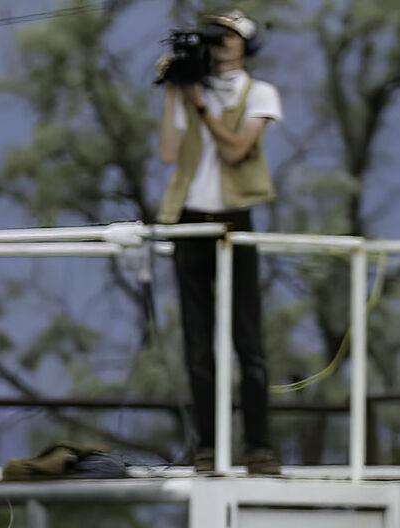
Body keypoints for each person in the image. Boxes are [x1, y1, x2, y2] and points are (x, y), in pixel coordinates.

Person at [157, 9, 281, 476]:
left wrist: (202, 107)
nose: (220, 43)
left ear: (247, 46)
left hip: (234, 221)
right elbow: (169, 152)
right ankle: (207, 444)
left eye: (230, 36)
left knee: (247, 339)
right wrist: (175, 94)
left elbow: (235, 149)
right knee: (198, 343)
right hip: (189, 219)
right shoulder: (193, 91)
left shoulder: (259, 92)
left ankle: (259, 445)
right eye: (216, 36)